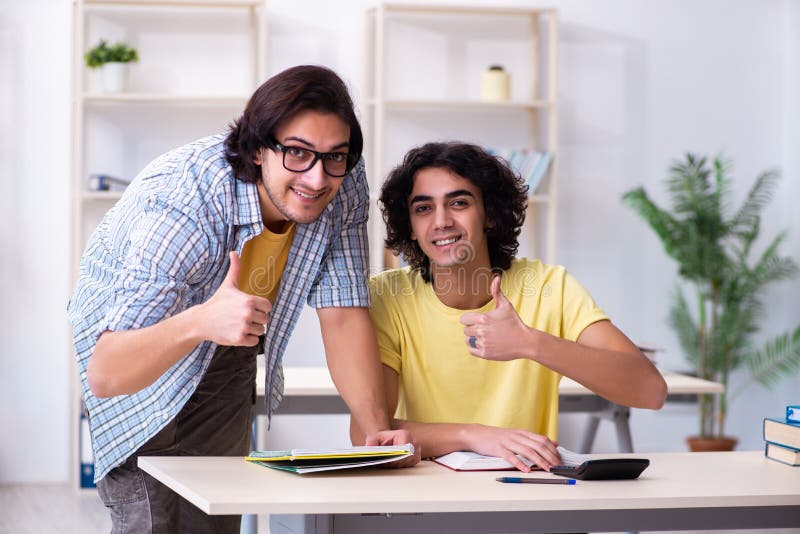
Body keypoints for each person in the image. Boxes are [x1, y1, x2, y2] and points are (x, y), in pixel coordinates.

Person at [68, 65, 418, 534]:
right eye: (297, 153)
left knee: (215, 512)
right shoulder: (184, 201)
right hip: (137, 341)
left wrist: (375, 430)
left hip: (231, 339)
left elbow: (343, 313)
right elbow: (108, 371)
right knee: (151, 520)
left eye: (335, 156)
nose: (317, 179)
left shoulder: (343, 181)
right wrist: (199, 322)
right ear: (257, 150)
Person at [355, 141, 667, 472]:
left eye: (459, 203)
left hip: (528, 495)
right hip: (427, 498)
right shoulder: (388, 296)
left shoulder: (549, 287)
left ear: (489, 214)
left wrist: (530, 343)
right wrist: (473, 435)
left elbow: (650, 391)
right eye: (423, 209)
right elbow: (368, 434)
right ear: (412, 228)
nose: (441, 221)